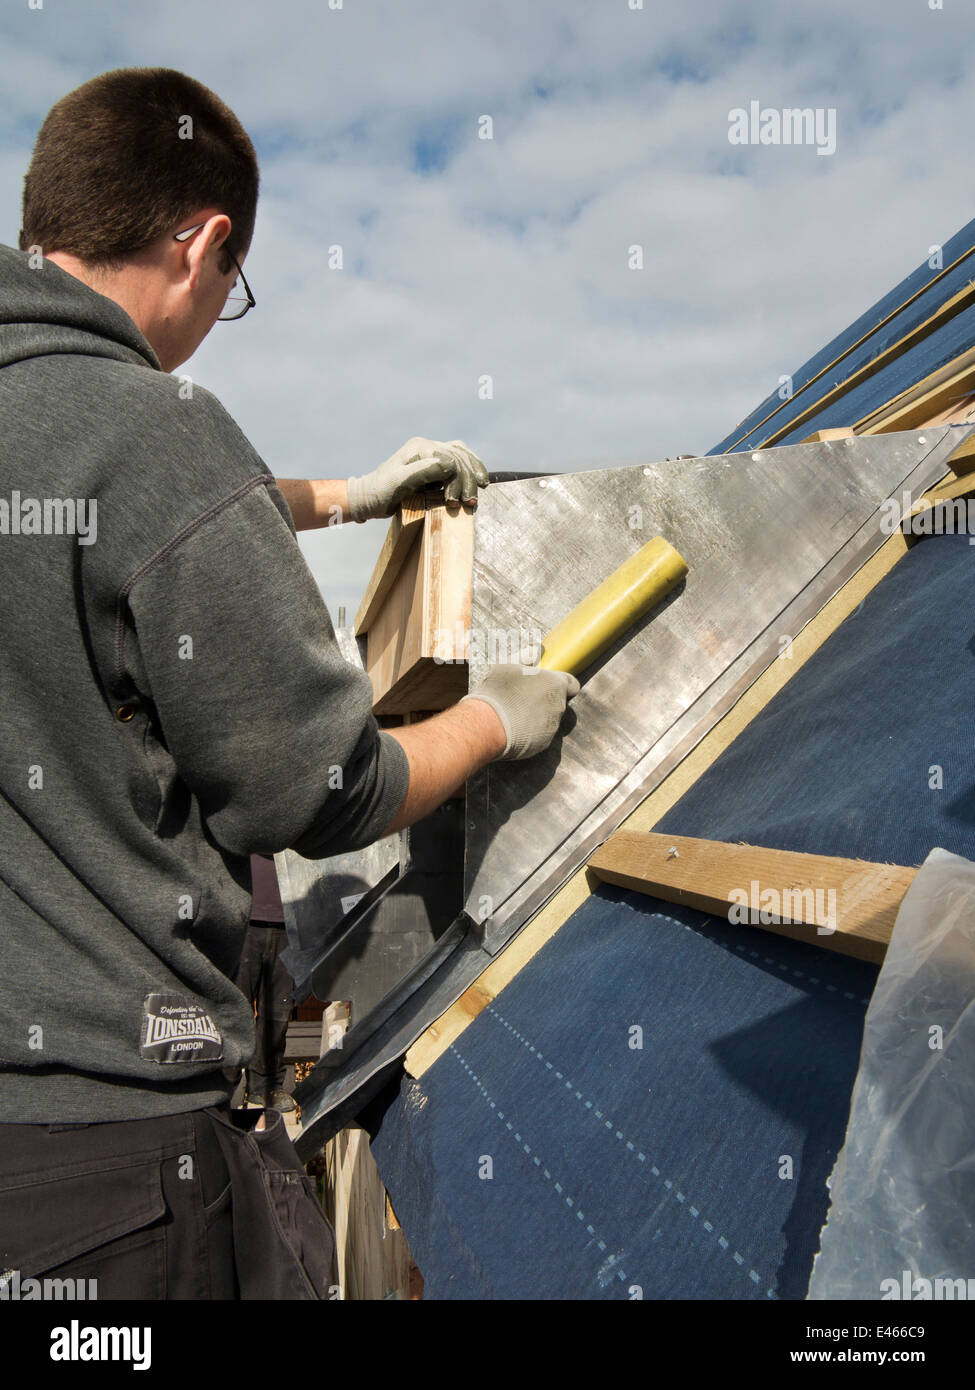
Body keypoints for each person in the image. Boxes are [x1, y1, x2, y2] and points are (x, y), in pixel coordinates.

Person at [0, 67, 578, 1300]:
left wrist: (353, 495)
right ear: (202, 241)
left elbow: (107, 524)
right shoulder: (156, 428)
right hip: (116, 1180)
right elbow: (325, 790)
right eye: (234, 285)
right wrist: (490, 721)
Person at [236, 854, 297, 1113]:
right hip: (243, 920)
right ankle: (222, 1082)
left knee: (278, 1012)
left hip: (290, 921)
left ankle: (266, 1085)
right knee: (234, 1006)